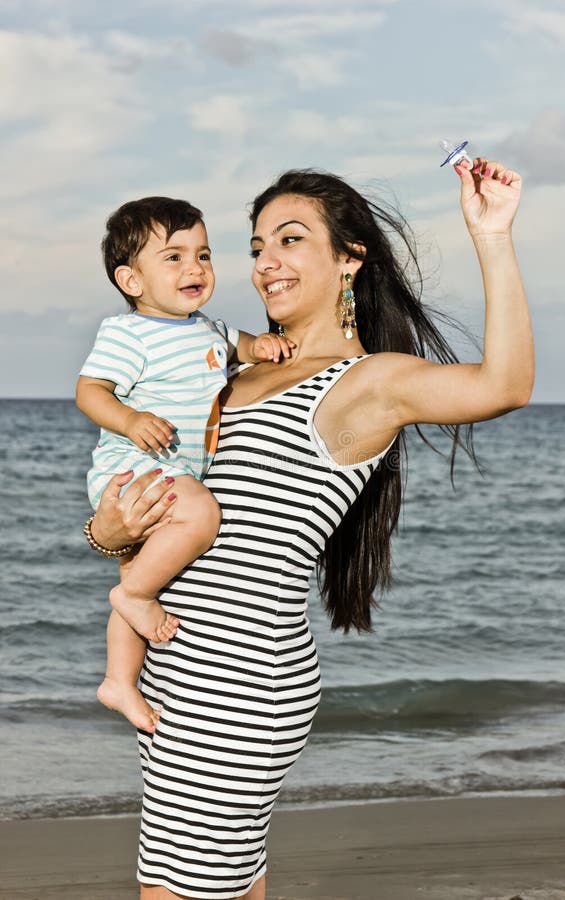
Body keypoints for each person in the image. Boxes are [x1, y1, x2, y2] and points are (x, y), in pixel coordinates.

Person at [86, 156, 534, 900]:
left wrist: (492, 236)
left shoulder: (363, 383)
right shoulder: (225, 373)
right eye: (257, 245)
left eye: (290, 240)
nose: (265, 263)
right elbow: (158, 528)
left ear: (349, 260)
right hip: (179, 674)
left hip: (237, 686)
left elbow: (504, 386)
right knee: (209, 885)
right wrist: (107, 530)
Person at [77, 196, 293, 733]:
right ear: (131, 280)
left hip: (169, 475)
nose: (194, 268)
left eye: (203, 254)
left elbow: (237, 347)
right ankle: (134, 596)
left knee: (138, 566)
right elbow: (90, 390)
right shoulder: (128, 333)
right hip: (133, 467)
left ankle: (119, 681)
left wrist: (261, 346)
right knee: (196, 520)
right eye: (173, 257)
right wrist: (128, 420)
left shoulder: (212, 331)